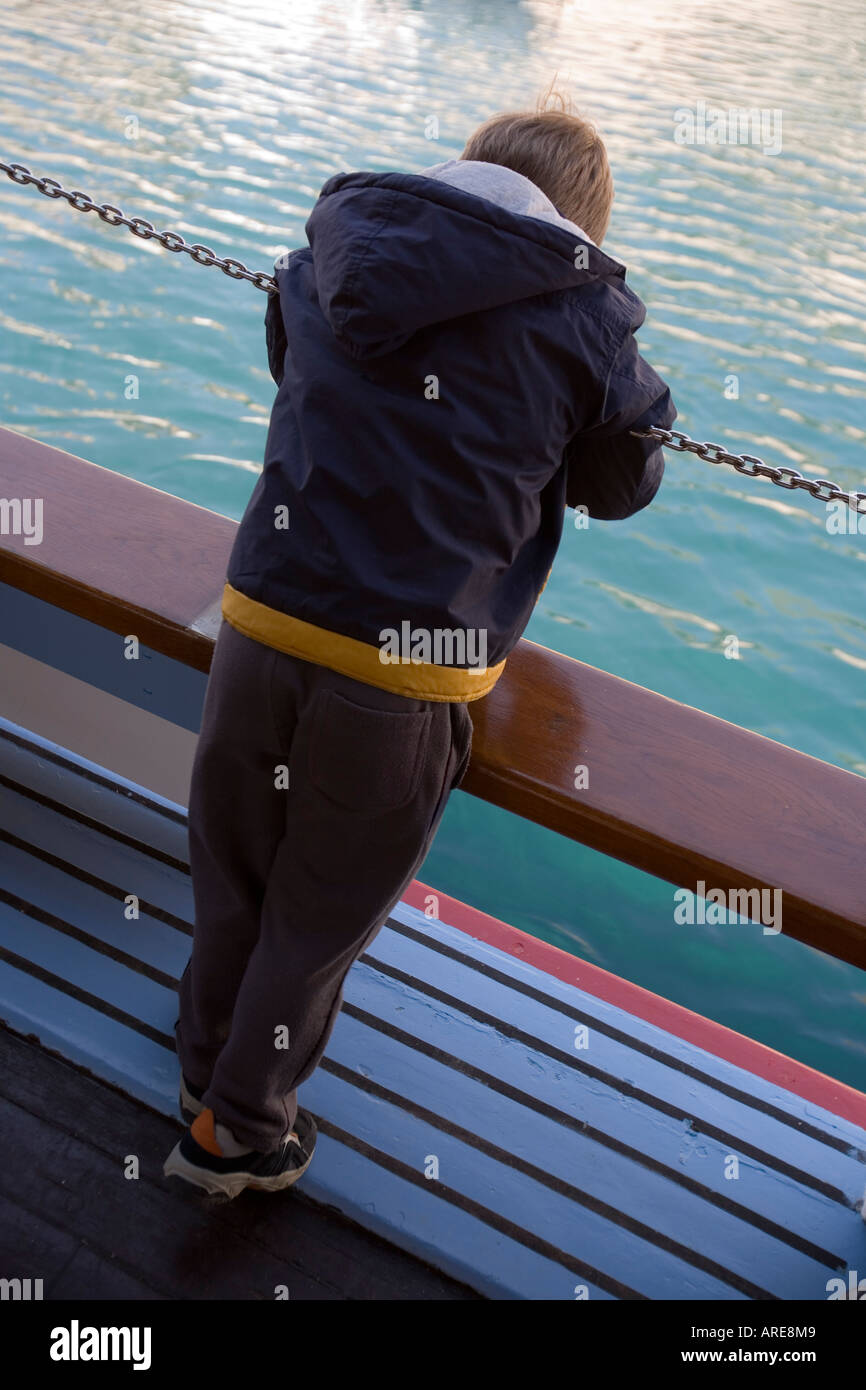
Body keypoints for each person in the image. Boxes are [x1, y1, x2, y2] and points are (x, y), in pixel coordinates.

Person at [163, 90, 676, 1198]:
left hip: (258, 616)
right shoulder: (584, 314)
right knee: (318, 916)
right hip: (403, 668)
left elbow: (292, 367)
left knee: (234, 870)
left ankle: (204, 1080)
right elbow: (620, 480)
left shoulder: (329, 252)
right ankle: (239, 1131)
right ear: (581, 219)